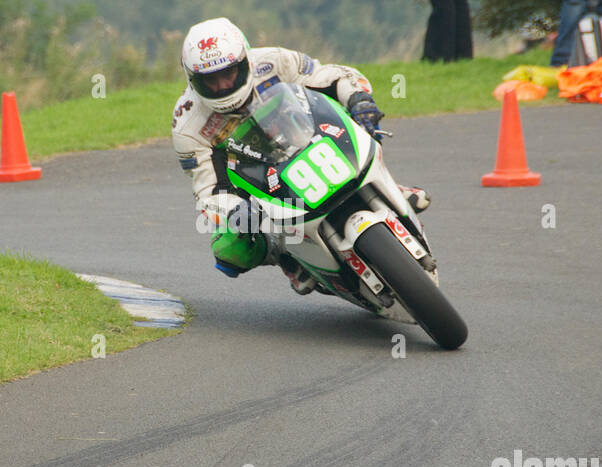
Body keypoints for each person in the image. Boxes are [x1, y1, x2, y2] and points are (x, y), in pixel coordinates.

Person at [171, 17, 429, 295]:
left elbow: (332, 76)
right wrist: (235, 209)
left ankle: (383, 184)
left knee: (357, 117)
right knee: (229, 246)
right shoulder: (187, 125)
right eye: (211, 80)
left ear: (245, 61)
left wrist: (358, 98)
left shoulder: (274, 61)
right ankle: (287, 256)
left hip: (307, 138)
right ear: (193, 79)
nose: (222, 86)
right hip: (255, 182)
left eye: (229, 73)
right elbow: (207, 192)